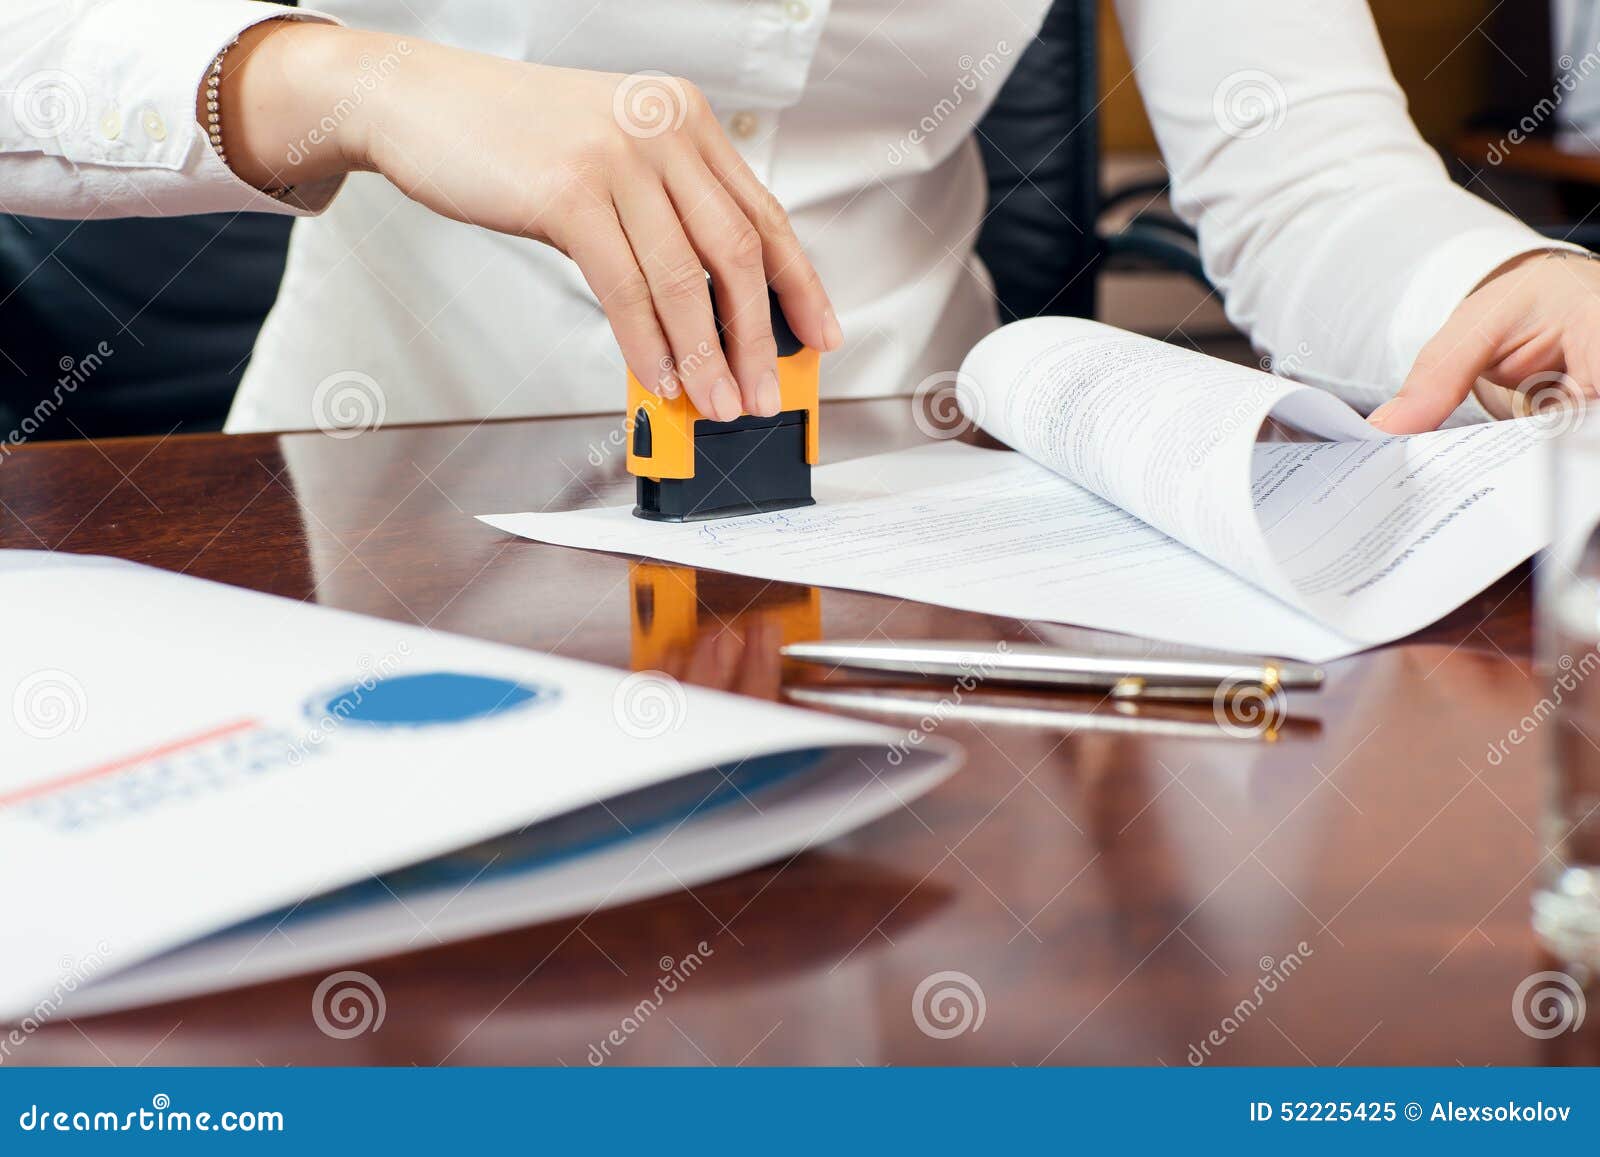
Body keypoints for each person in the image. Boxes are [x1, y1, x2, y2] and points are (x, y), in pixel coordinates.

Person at [5, 0, 1596, 436]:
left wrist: (1509, 273)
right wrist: (348, 83)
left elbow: (1299, 165)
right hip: (395, 512)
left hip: (935, 548)